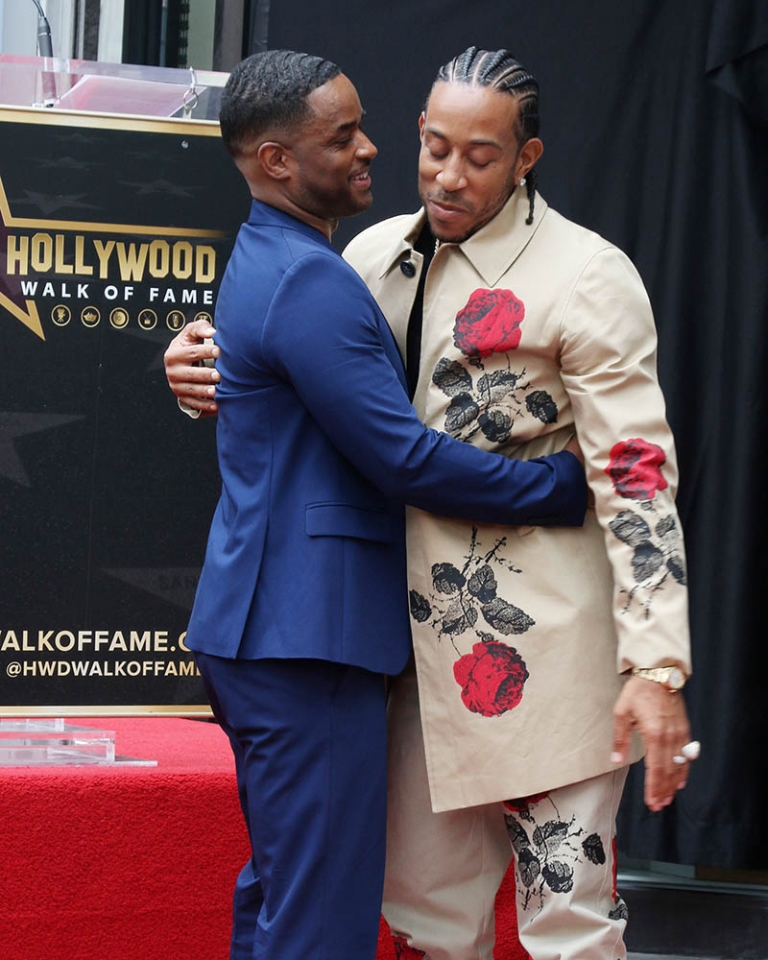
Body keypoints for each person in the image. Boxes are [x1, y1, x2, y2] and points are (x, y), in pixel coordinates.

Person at [166, 47, 696, 960]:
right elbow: (299, 367)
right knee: (425, 924)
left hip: (551, 659)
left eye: (480, 156)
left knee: (567, 928)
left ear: (526, 157)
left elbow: (639, 470)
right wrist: (195, 366)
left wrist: (657, 664)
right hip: (408, 664)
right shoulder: (372, 253)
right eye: (433, 146)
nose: (448, 175)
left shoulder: (588, 275)